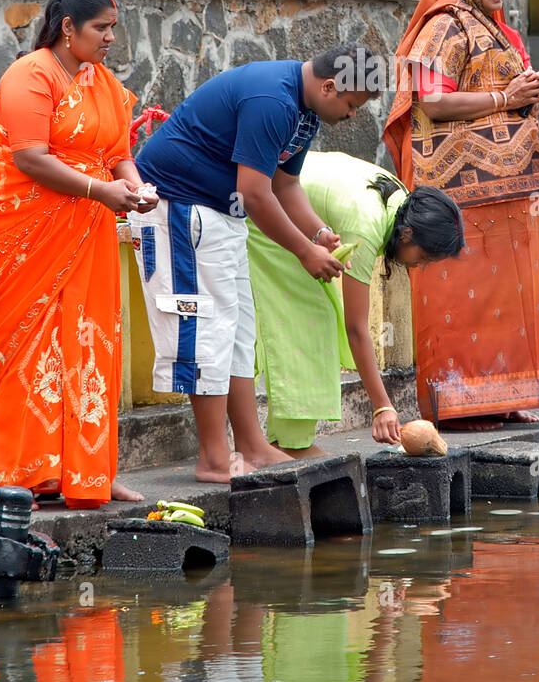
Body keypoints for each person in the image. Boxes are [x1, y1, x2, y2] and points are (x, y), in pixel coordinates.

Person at [128, 44, 380, 482]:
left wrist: (318, 233)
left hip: (220, 217)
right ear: (329, 86)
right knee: (203, 330)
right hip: (179, 210)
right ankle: (213, 457)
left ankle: (252, 447)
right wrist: (304, 253)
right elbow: (255, 193)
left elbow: (286, 185)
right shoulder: (273, 100)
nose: (353, 116)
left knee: (237, 330)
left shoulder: (304, 111)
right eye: (352, 105)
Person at [0, 0, 156, 509]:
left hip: (85, 231)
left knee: (90, 343)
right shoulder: (31, 75)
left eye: (113, 28)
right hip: (21, 235)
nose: (111, 38)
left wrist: (136, 188)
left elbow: (117, 150)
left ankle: (91, 472)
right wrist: (102, 190)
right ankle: (23, 474)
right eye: (101, 28)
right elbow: (29, 157)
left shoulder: (101, 81)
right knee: (31, 348)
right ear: (68, 28)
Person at [383, 0, 539, 427]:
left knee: (508, 295)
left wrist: (533, 101)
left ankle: (505, 398)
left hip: (507, 189)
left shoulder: (500, 31)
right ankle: (458, 408)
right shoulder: (443, 25)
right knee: (454, 295)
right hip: (455, 192)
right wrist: (505, 96)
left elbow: (518, 99)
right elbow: (430, 101)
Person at [246, 151, 465, 457]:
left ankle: (291, 441)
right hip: (266, 211)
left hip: (284, 200)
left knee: (316, 316)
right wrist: (383, 407)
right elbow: (356, 328)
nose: (422, 266)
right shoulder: (367, 227)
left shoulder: (401, 201)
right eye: (425, 257)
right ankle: (287, 445)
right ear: (409, 234)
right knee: (305, 323)